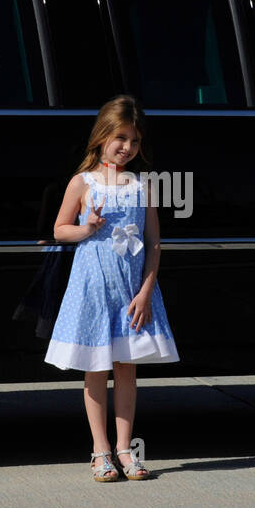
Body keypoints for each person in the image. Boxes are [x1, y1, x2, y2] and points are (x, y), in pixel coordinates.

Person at [45, 94, 179, 481]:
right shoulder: (82, 182)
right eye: (121, 137)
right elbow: (59, 229)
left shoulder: (142, 186)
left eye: (135, 141)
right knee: (94, 369)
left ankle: (126, 449)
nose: (127, 147)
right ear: (102, 136)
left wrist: (146, 289)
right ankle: (99, 450)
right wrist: (86, 228)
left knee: (125, 368)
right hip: (92, 291)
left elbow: (154, 241)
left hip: (130, 292)